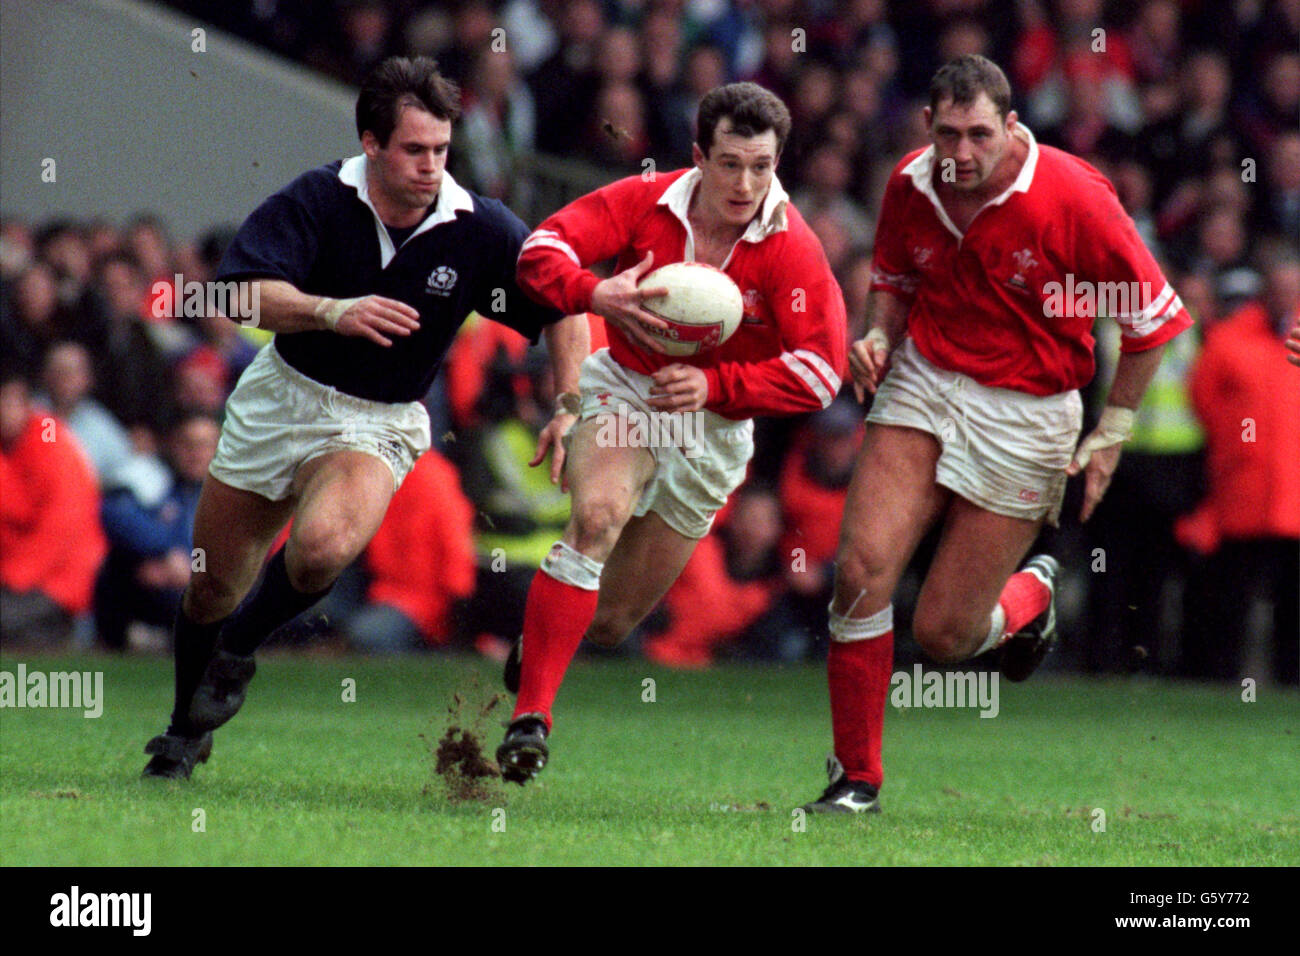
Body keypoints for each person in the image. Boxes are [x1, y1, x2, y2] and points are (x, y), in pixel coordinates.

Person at [140, 56, 576, 779]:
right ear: (371, 143)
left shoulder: (480, 228)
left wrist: (570, 405)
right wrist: (329, 311)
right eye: (413, 149)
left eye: (440, 149)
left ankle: (239, 649)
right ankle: (185, 729)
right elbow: (239, 296)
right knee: (213, 581)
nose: (430, 165)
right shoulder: (315, 198)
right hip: (283, 397)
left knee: (321, 549)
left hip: (377, 421)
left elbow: (562, 307)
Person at [802, 55, 1193, 814]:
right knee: (859, 572)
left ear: (1012, 127)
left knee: (945, 636)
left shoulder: (1074, 195)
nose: (963, 154)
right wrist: (879, 336)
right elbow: (894, 277)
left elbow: (1152, 321)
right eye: (948, 134)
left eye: (980, 134)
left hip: (1030, 408)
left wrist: (1112, 429)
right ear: (927, 127)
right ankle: (857, 780)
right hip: (926, 379)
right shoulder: (911, 181)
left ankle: (1032, 598)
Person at [495, 81, 848, 784]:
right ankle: (531, 719)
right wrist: (597, 292)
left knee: (612, 621)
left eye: (762, 166)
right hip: (627, 390)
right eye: (729, 164)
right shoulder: (642, 199)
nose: (746, 183)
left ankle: (540, 647)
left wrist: (717, 387)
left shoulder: (793, 250)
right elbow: (542, 246)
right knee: (594, 520)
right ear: (697, 158)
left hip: (713, 433)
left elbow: (821, 372)